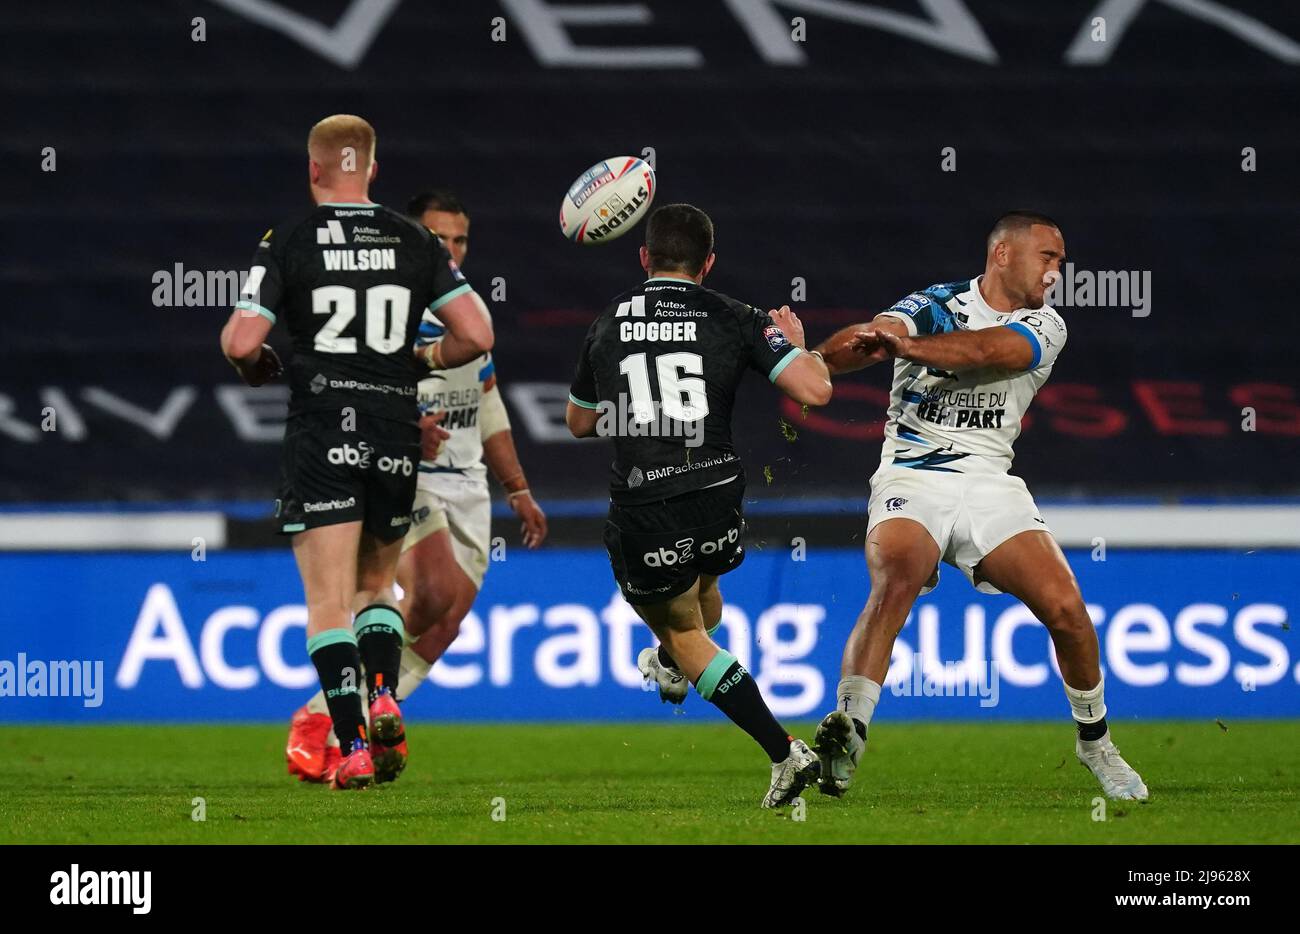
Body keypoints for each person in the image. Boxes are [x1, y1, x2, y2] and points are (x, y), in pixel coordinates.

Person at [810, 210, 1148, 801]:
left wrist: (906, 345)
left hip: (990, 481)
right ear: (1002, 255)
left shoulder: (1046, 326)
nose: (1057, 272)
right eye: (1048, 257)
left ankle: (1097, 744)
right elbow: (862, 342)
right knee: (897, 578)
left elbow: (991, 351)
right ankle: (848, 736)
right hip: (913, 476)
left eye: (1061, 262)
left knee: (1066, 609)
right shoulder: (934, 302)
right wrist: (818, 358)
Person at [220, 115, 493, 790]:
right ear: (371, 169)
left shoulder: (288, 239)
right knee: (379, 589)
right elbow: (478, 333)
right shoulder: (414, 240)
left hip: (323, 428)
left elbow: (239, 341)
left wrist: (260, 365)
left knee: (328, 602)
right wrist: (420, 357)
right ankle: (385, 697)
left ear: (314, 170)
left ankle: (351, 747)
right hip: (396, 428)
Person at [565, 203, 833, 807]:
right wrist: (797, 346)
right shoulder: (735, 315)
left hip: (646, 498)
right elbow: (815, 390)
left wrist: (631, 409)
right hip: (718, 489)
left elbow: (578, 422)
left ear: (644, 258)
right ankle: (668, 662)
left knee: (687, 631)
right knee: (699, 596)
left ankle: (783, 752)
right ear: (708, 263)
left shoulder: (608, 321)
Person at [286, 189, 547, 784]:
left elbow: (487, 402)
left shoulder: (466, 308)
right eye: (438, 238)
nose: (451, 250)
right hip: (406, 474)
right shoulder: (389, 306)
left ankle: (339, 728)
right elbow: (340, 386)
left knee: (448, 617)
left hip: (469, 484)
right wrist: (401, 427)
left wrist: (518, 487)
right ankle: (335, 718)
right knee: (430, 591)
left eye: (460, 240)